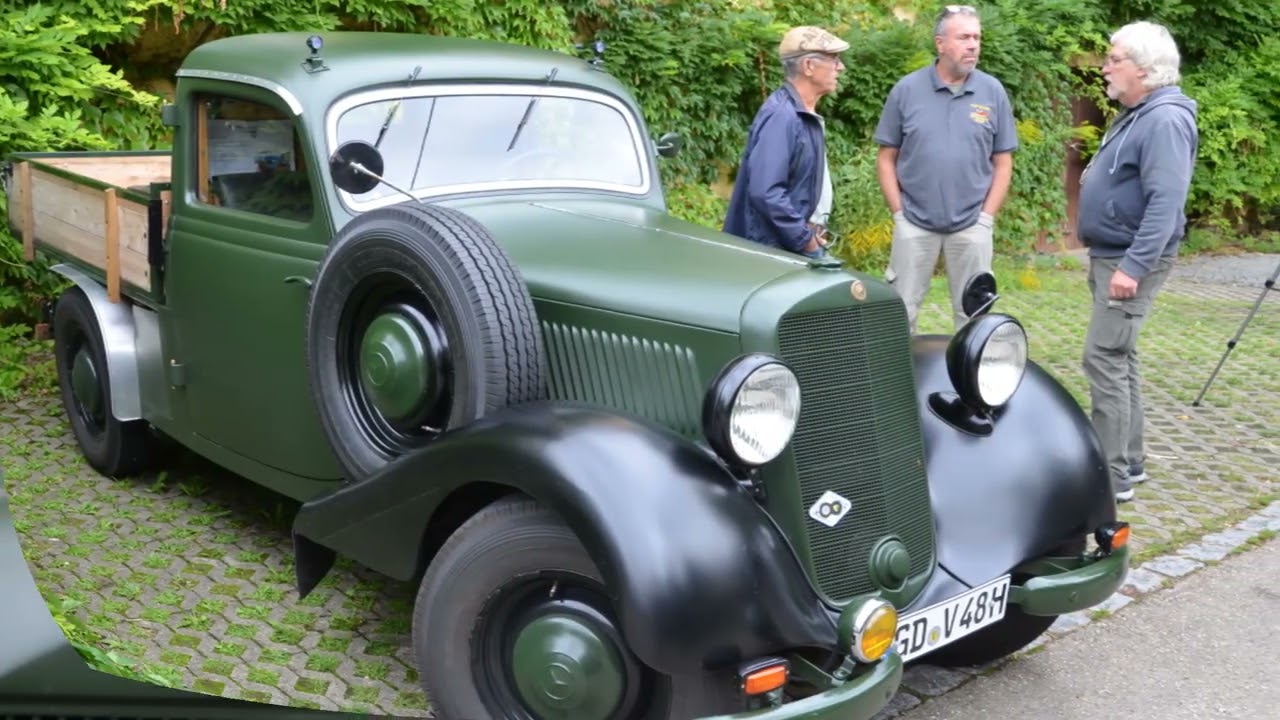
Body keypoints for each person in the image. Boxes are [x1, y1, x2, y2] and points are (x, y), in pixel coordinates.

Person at [1077, 21, 1198, 503]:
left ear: (1145, 70)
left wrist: (1133, 266)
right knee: (1119, 355)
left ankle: (1109, 476)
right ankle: (1130, 460)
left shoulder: (1164, 120)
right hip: (1114, 253)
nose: (1105, 66)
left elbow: (1166, 203)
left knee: (1102, 357)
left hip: (1129, 259)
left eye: (1115, 58)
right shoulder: (1138, 112)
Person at [873, 4, 1017, 332]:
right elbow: (886, 157)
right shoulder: (907, 90)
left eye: (977, 37)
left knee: (976, 317)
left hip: (971, 226)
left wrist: (986, 218)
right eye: (964, 37)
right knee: (899, 314)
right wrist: (899, 213)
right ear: (940, 44)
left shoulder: (991, 91)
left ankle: (968, 383)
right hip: (914, 224)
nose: (973, 45)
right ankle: (900, 382)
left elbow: (1003, 162)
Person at [723, 26, 848, 259]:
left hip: (793, 243)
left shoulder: (800, 113)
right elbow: (767, 192)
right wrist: (805, 241)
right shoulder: (783, 116)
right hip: (779, 250)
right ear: (809, 66)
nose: (841, 67)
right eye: (834, 59)